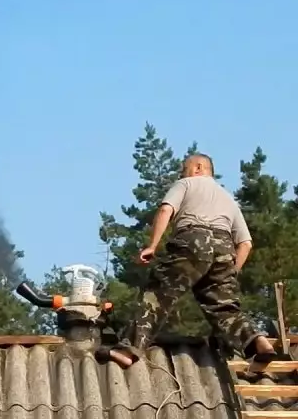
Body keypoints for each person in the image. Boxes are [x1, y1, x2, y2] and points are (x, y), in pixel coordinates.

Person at [96, 153, 288, 368]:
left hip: (193, 240)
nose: (181, 172)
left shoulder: (186, 183)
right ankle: (259, 343)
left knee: (158, 295)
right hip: (225, 249)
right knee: (225, 308)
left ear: (198, 167)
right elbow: (246, 244)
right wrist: (230, 273)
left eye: (184, 168)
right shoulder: (228, 198)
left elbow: (165, 209)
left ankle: (128, 351)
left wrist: (152, 246)